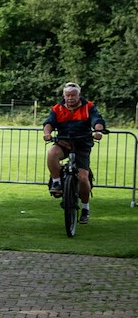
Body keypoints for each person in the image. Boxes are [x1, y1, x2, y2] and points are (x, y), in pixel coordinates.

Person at [43, 82, 105, 224]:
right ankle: (57, 182)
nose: (70, 98)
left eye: (73, 95)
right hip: (64, 142)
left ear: (79, 95)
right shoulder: (57, 108)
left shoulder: (88, 107)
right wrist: (47, 133)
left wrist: (98, 131)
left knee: (83, 178)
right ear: (64, 96)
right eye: (67, 95)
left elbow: (97, 120)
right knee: (52, 153)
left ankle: (85, 208)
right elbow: (49, 123)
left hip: (82, 144)